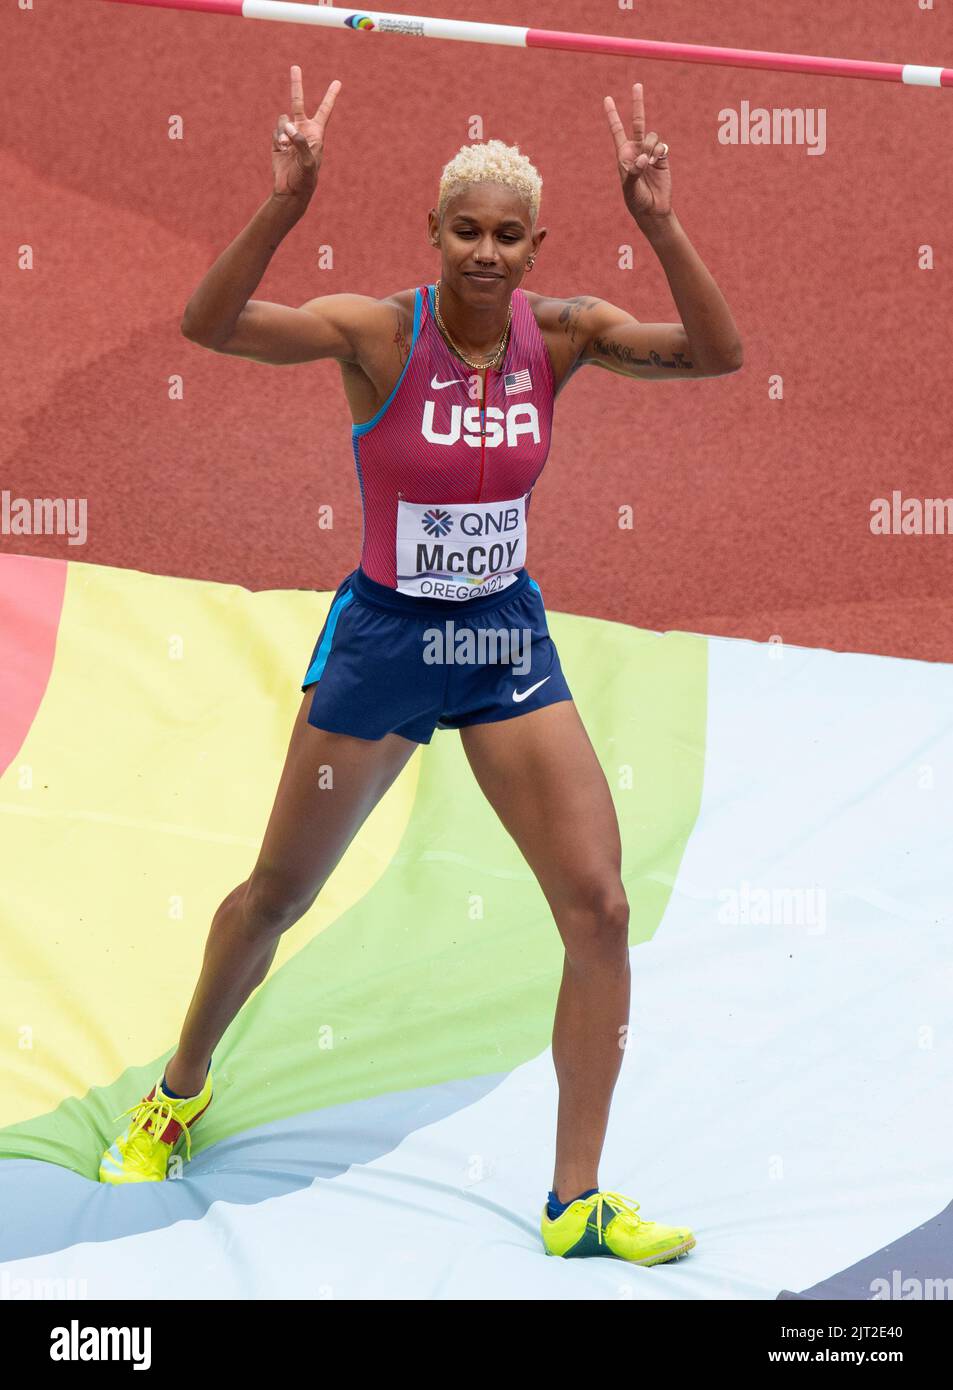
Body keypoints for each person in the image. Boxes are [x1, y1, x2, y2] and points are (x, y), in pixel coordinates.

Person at [99, 66, 742, 1266]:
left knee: (596, 906)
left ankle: (576, 1199)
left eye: (508, 235)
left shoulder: (564, 336)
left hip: (499, 640)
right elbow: (208, 326)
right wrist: (284, 205)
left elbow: (715, 354)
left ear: (536, 243)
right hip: (390, 643)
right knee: (274, 896)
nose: (486, 253)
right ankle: (176, 1090)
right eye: (465, 231)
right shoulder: (376, 333)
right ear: (432, 234)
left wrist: (659, 221)